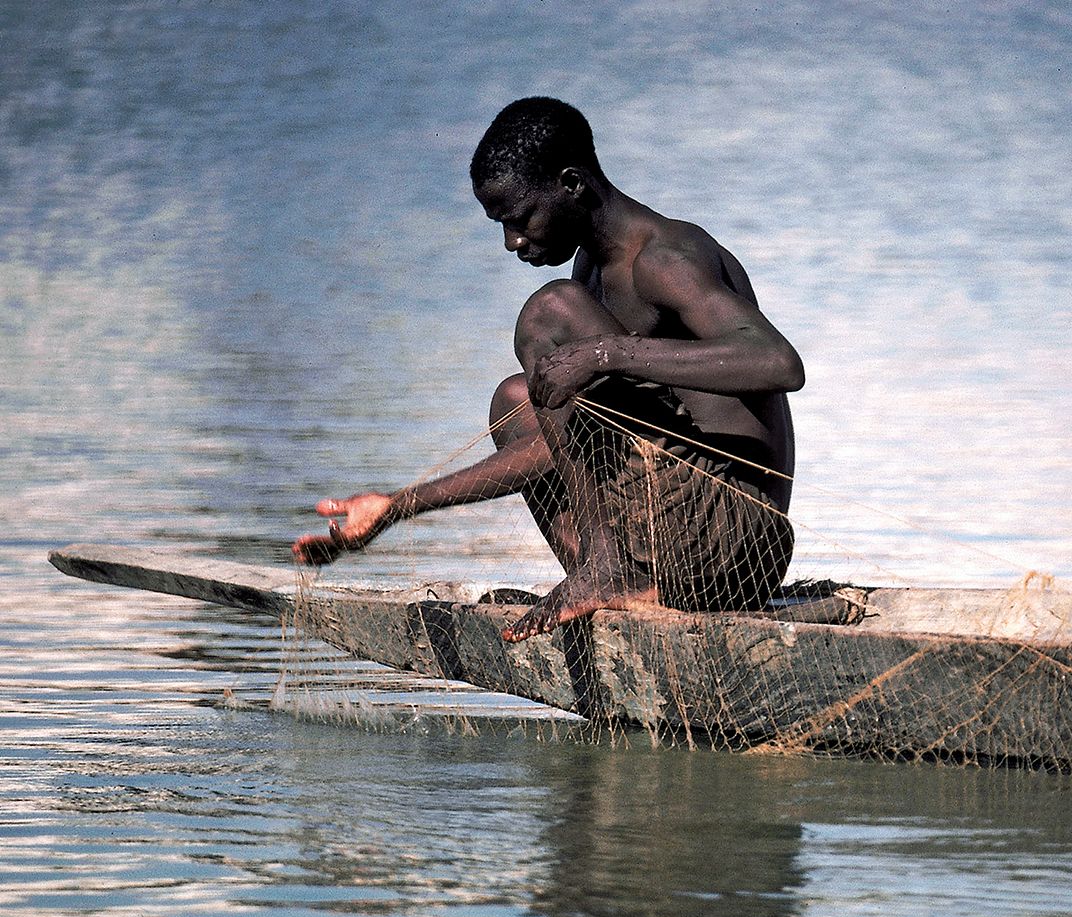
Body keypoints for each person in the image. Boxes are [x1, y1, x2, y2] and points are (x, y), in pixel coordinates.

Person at [292, 97, 803, 642]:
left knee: (549, 311)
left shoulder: (665, 257)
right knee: (515, 401)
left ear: (573, 185)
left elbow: (778, 362)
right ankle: (613, 579)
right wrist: (397, 506)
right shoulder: (592, 267)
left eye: (520, 218)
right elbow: (554, 449)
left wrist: (607, 354)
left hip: (738, 538)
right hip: (676, 543)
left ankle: (607, 571)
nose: (513, 241)